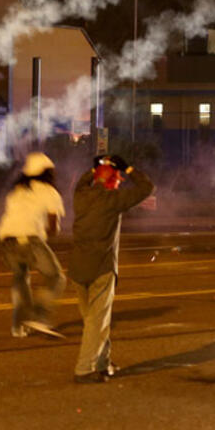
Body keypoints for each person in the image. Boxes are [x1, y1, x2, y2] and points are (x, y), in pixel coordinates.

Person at [69, 154, 154, 383]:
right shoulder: (112, 200)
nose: (119, 182)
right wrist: (127, 167)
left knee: (96, 320)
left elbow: (81, 182)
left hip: (78, 269)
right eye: (117, 179)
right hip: (101, 268)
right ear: (111, 182)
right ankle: (84, 370)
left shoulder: (81, 196)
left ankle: (103, 362)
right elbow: (147, 187)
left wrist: (96, 167)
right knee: (96, 322)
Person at [0, 152, 66, 338]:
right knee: (56, 277)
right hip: (30, 239)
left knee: (20, 279)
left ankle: (19, 326)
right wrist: (47, 233)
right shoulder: (49, 191)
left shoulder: (17, 190)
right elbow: (53, 227)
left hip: (6, 240)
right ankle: (40, 317)